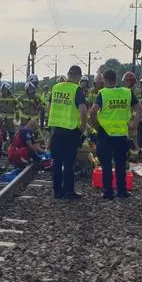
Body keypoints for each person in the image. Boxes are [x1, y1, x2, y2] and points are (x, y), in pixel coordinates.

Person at [91, 69, 142, 199]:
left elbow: (93, 111)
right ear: (116, 79)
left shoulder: (103, 93)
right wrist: (134, 124)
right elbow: (139, 109)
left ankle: (108, 192)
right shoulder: (127, 92)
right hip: (121, 134)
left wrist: (97, 126)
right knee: (120, 164)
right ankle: (122, 191)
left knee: (106, 165)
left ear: (105, 80)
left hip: (105, 134)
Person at [48, 65, 88, 199]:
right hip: (71, 130)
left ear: (68, 74)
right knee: (69, 163)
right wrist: (83, 126)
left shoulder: (56, 87)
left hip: (56, 130)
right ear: (78, 77)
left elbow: (48, 107)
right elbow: (83, 110)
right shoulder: (76, 89)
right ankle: (68, 191)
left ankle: (57, 191)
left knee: (57, 162)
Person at [122, 71, 139, 163]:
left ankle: (134, 156)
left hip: (132, 119)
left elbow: (138, 107)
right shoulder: (125, 91)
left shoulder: (135, 91)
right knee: (126, 138)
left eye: (127, 81)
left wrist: (134, 120)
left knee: (133, 138)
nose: (126, 83)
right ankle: (127, 156)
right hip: (126, 118)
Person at [0, 83, 18, 150]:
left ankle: (12, 145)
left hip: (10, 118)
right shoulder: (0, 97)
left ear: (8, 90)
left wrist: (17, 115)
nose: (3, 91)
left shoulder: (13, 97)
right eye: (2, 90)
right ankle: (4, 144)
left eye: (4, 90)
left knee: (11, 132)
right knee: (3, 131)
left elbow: (17, 106)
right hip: (2, 117)